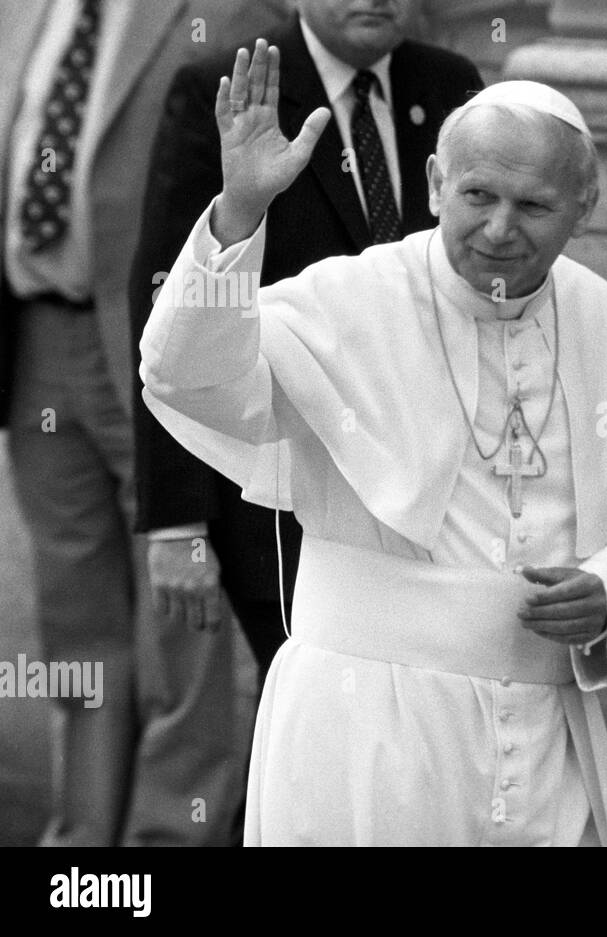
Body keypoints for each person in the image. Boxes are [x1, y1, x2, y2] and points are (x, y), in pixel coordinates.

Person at [140, 40, 607, 845]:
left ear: (584, 208)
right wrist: (238, 213)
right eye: (478, 194)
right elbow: (186, 376)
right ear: (434, 184)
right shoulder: (350, 299)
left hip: (543, 740)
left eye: (534, 207)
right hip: (366, 729)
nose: (498, 229)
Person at [130, 2, 482, 687]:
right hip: (279, 494)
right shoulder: (226, 89)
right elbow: (171, 314)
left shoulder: (451, 85)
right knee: (309, 711)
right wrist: (177, 521)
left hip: (431, 495)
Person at [0, 0, 285, 846]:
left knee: (181, 625)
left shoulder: (224, 10)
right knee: (75, 620)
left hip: (156, 340)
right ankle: (83, 847)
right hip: (35, 335)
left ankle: (167, 841)